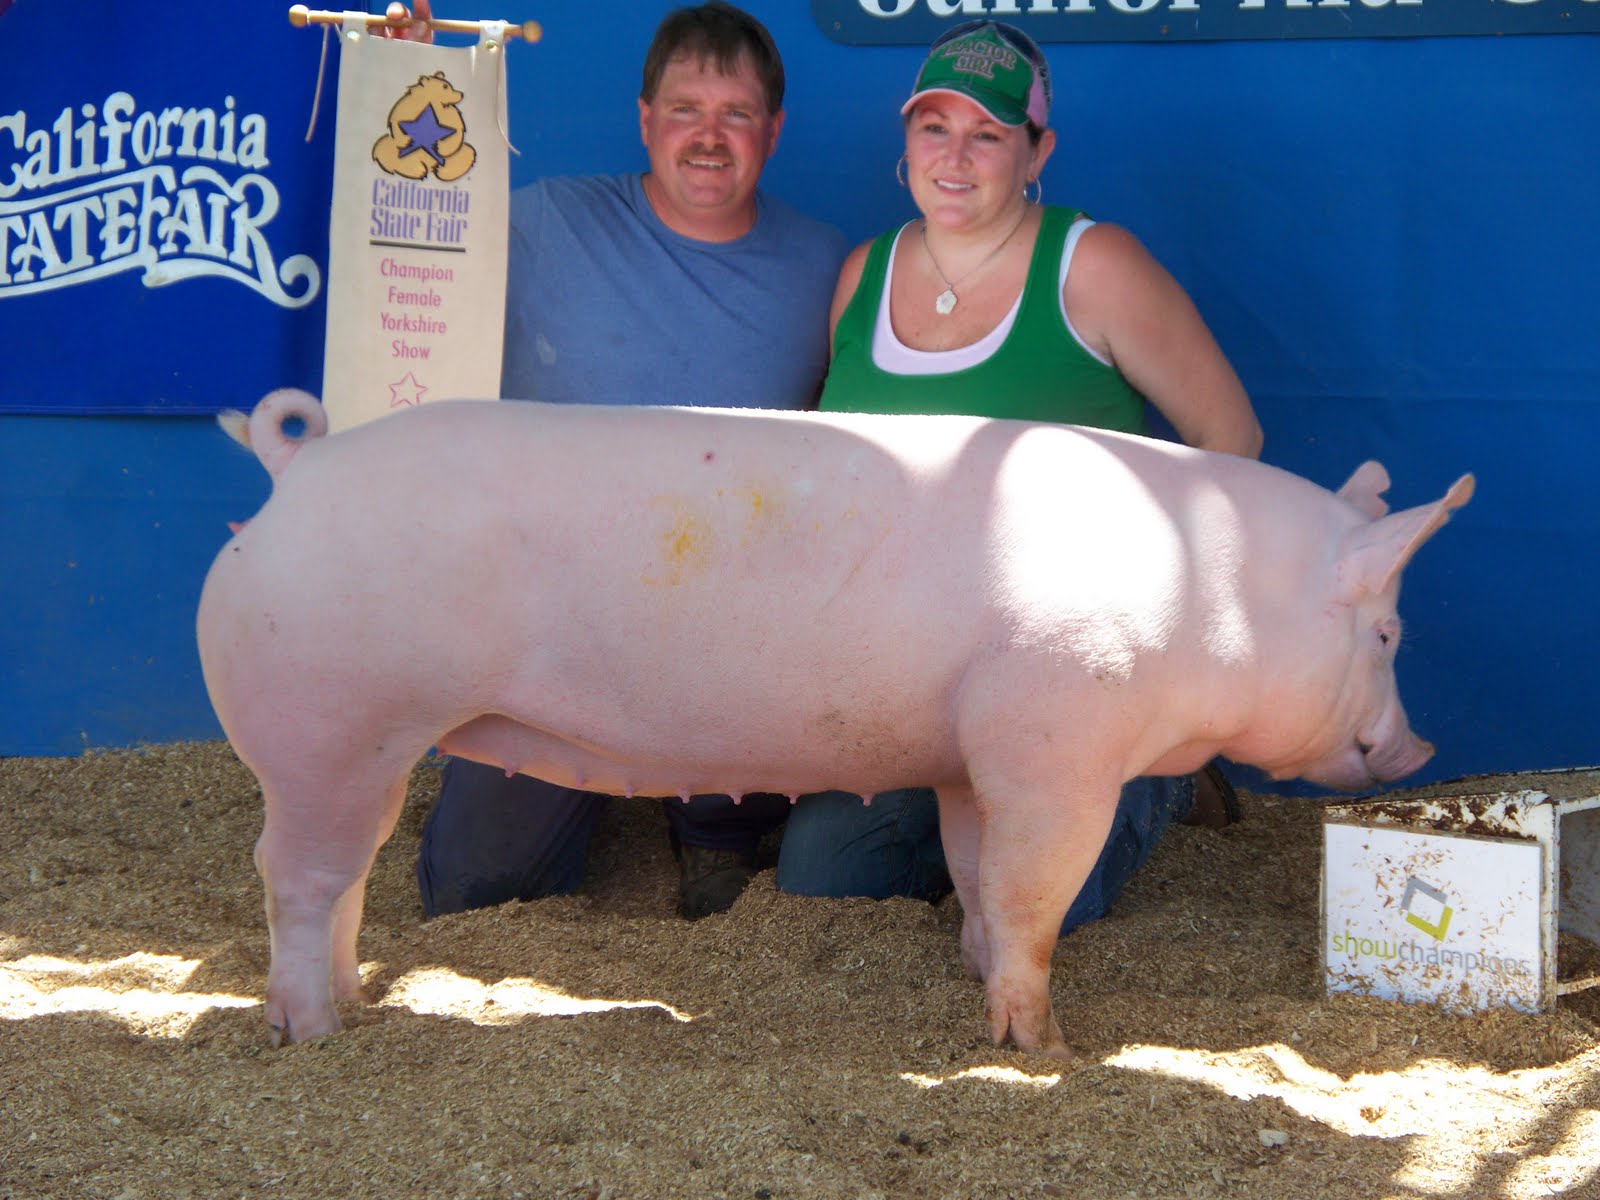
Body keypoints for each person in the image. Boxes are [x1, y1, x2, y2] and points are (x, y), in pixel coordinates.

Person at [773, 20, 1264, 934]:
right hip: (910, 684)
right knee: (821, 878)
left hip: (1077, 679)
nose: (955, 157)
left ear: (1038, 150)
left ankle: (1166, 773)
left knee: (1044, 910)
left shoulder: (1095, 266)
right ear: (906, 141)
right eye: (935, 127)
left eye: (989, 135)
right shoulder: (861, 277)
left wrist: (1153, 630)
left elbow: (1229, 435)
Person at [385, 1, 850, 919]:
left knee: (736, 881)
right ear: (645, 119)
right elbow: (405, 239)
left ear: (774, 129)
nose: (709, 137)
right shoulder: (543, 223)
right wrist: (400, 88)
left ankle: (712, 821)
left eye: (737, 114)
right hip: (547, 629)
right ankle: (596, 792)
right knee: (476, 894)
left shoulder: (827, 267)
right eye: (685, 110)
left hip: (731, 631)